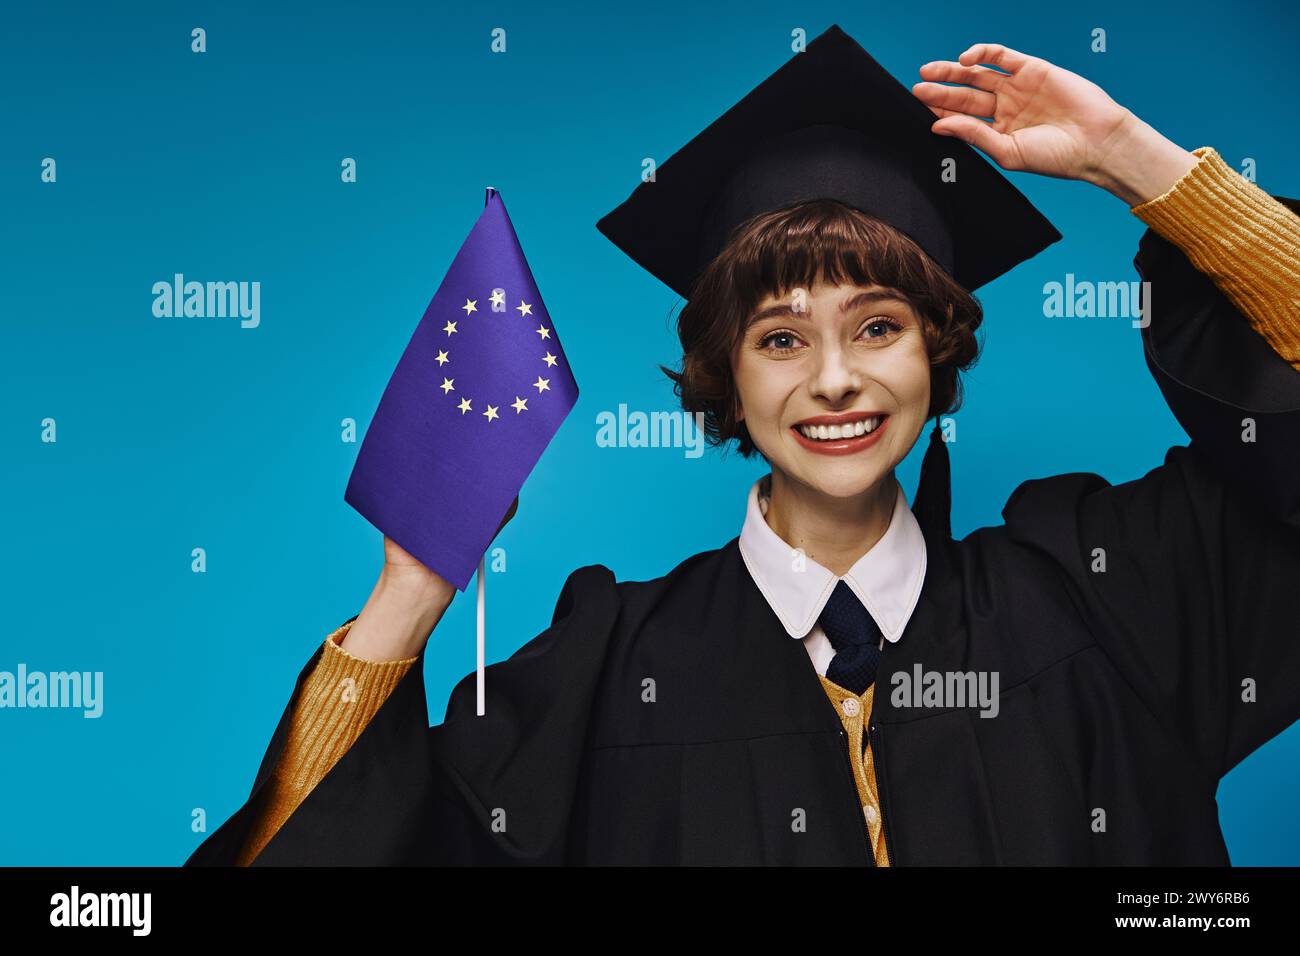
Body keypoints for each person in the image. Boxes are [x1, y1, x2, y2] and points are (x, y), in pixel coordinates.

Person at [186, 26, 1300, 866]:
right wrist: (414, 586)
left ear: (936, 348)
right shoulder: (606, 668)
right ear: (726, 370)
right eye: (778, 337)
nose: (831, 378)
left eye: (877, 325)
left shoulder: (1111, 590)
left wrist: (1143, 167)